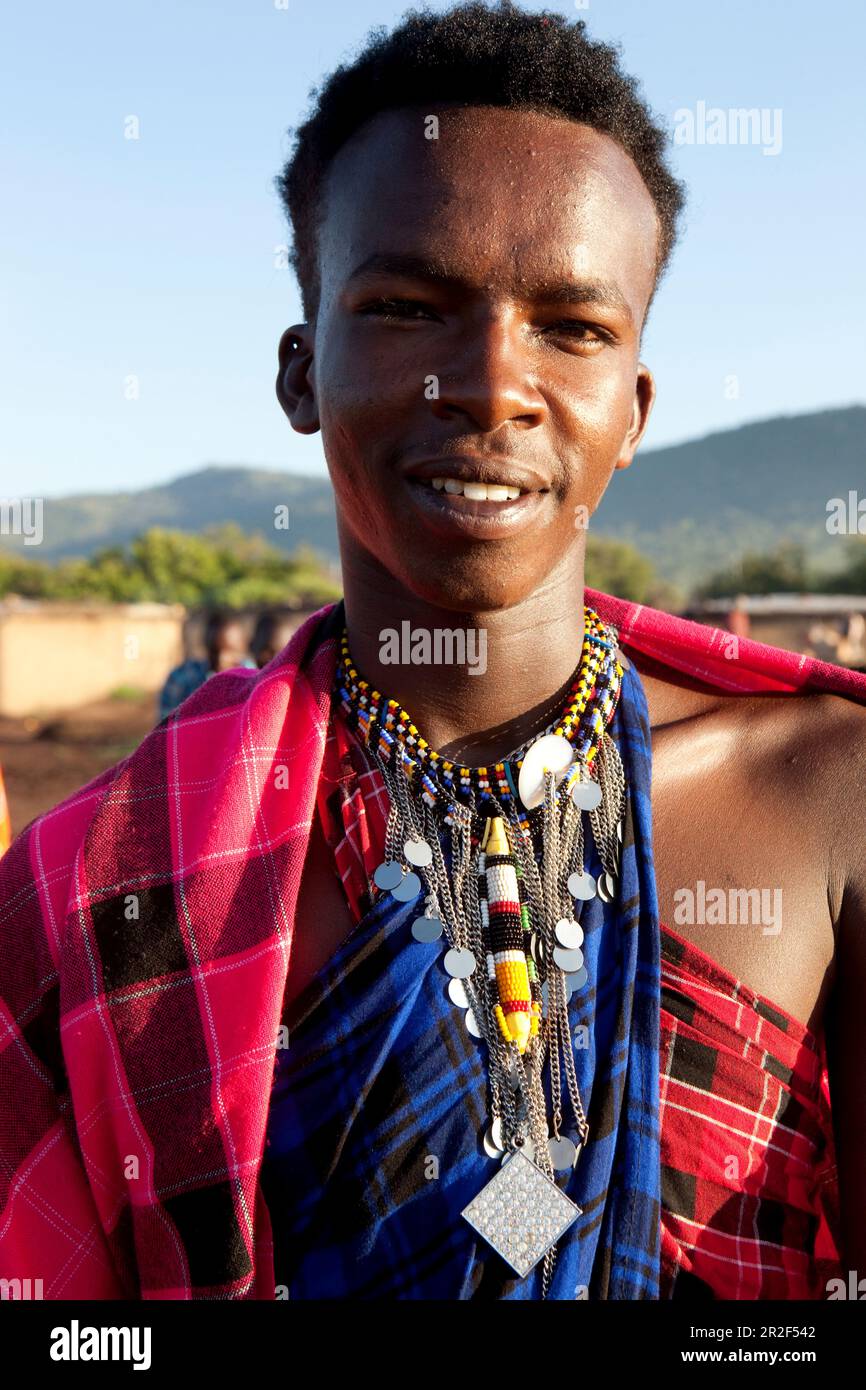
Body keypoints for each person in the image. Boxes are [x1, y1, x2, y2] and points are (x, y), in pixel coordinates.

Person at [1, 2, 864, 1301]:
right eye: (407, 307)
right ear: (302, 371)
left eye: (572, 326)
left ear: (629, 410)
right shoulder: (109, 891)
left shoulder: (827, 797)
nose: (490, 381)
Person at [156, 608, 255, 720]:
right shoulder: (182, 678)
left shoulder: (256, 682)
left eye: (230, 651)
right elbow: (165, 727)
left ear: (243, 648)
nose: (221, 659)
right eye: (215, 651)